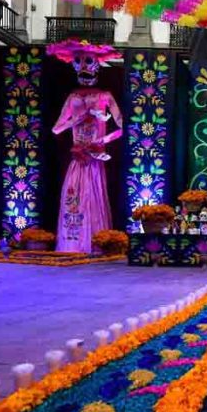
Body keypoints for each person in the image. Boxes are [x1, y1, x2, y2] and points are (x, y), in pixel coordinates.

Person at [48, 40, 124, 253]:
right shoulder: (73, 97)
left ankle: (96, 241)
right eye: (78, 62)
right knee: (75, 198)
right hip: (77, 159)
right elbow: (56, 129)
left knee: (93, 198)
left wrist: (104, 140)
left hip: (95, 158)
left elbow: (122, 126)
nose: (83, 67)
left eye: (88, 62)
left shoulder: (104, 96)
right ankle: (73, 242)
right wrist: (80, 118)